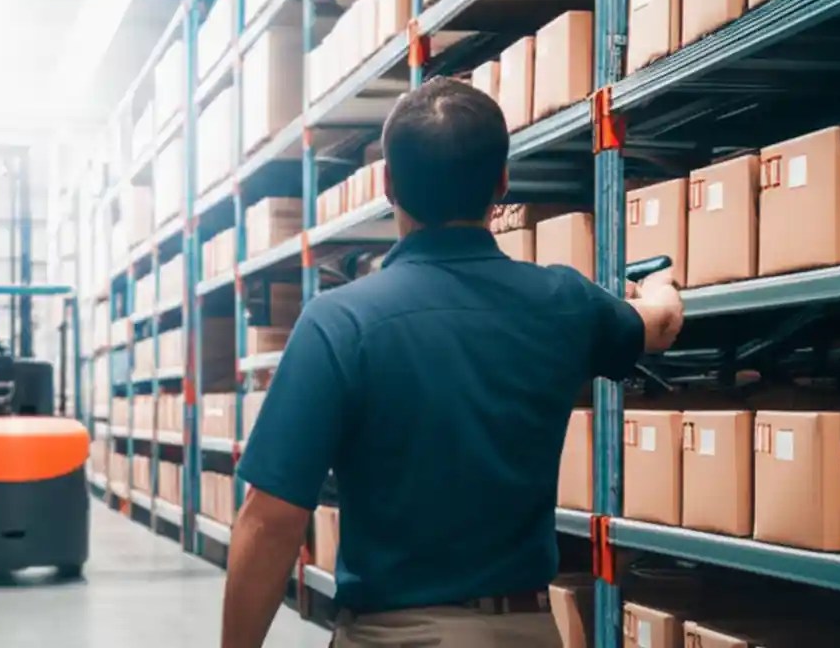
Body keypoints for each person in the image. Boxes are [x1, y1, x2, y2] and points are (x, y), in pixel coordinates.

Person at [220, 77, 684, 647]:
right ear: (502, 182)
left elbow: (270, 520)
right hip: (528, 631)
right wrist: (660, 287)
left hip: (395, 634)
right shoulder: (564, 302)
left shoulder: (339, 324)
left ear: (389, 185)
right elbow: (658, 325)